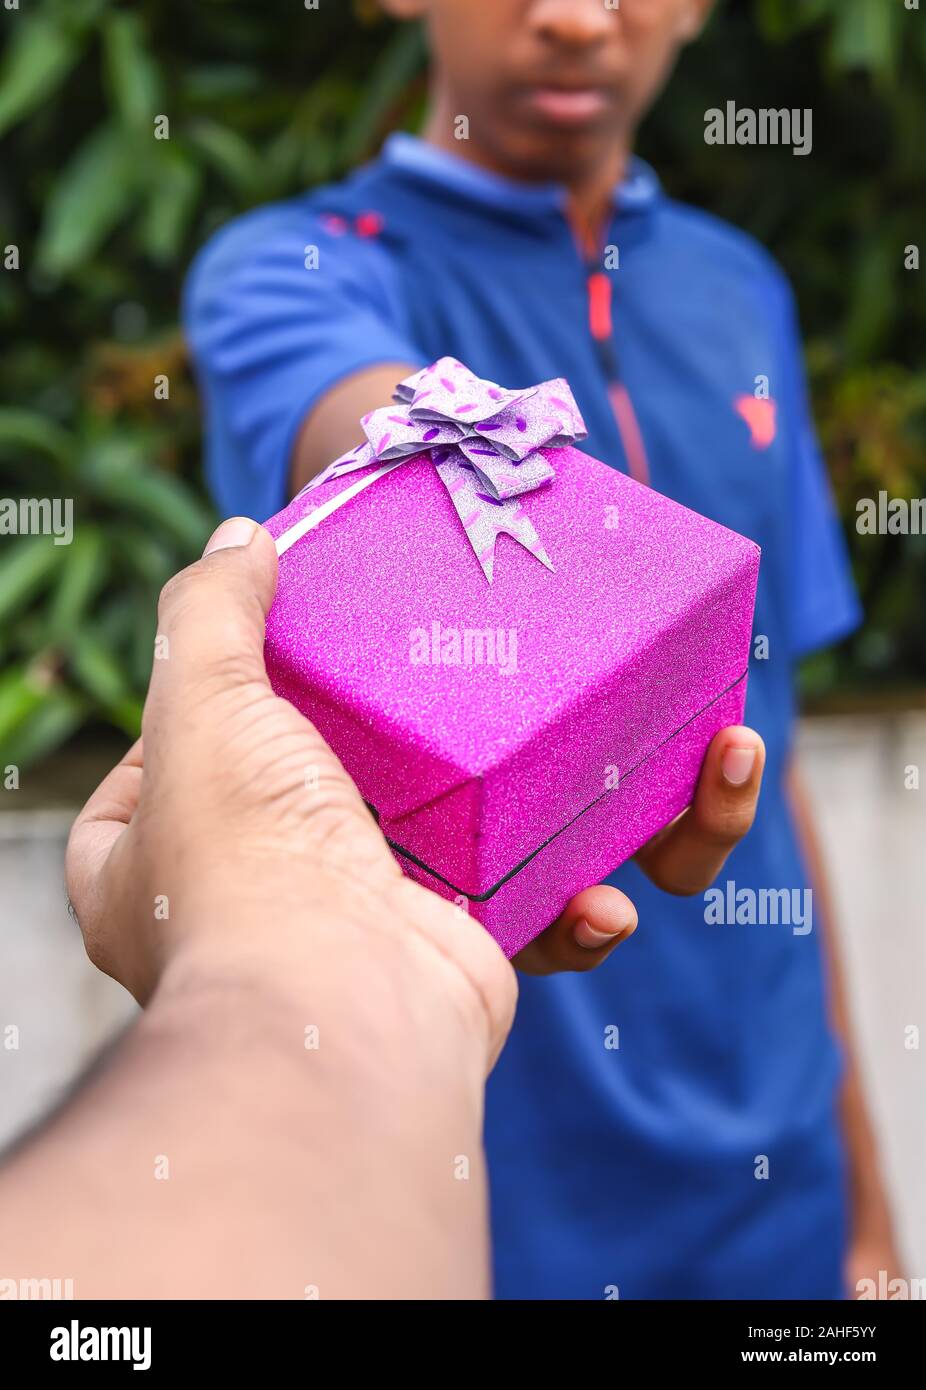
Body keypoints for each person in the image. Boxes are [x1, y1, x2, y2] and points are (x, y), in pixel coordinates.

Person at [183, 0, 900, 1297]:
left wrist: (862, 1195)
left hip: (774, 1183)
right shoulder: (293, 268)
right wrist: (430, 429)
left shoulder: (738, 285)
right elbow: (350, 425)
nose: (575, 17)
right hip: (484, 1198)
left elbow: (766, 755)